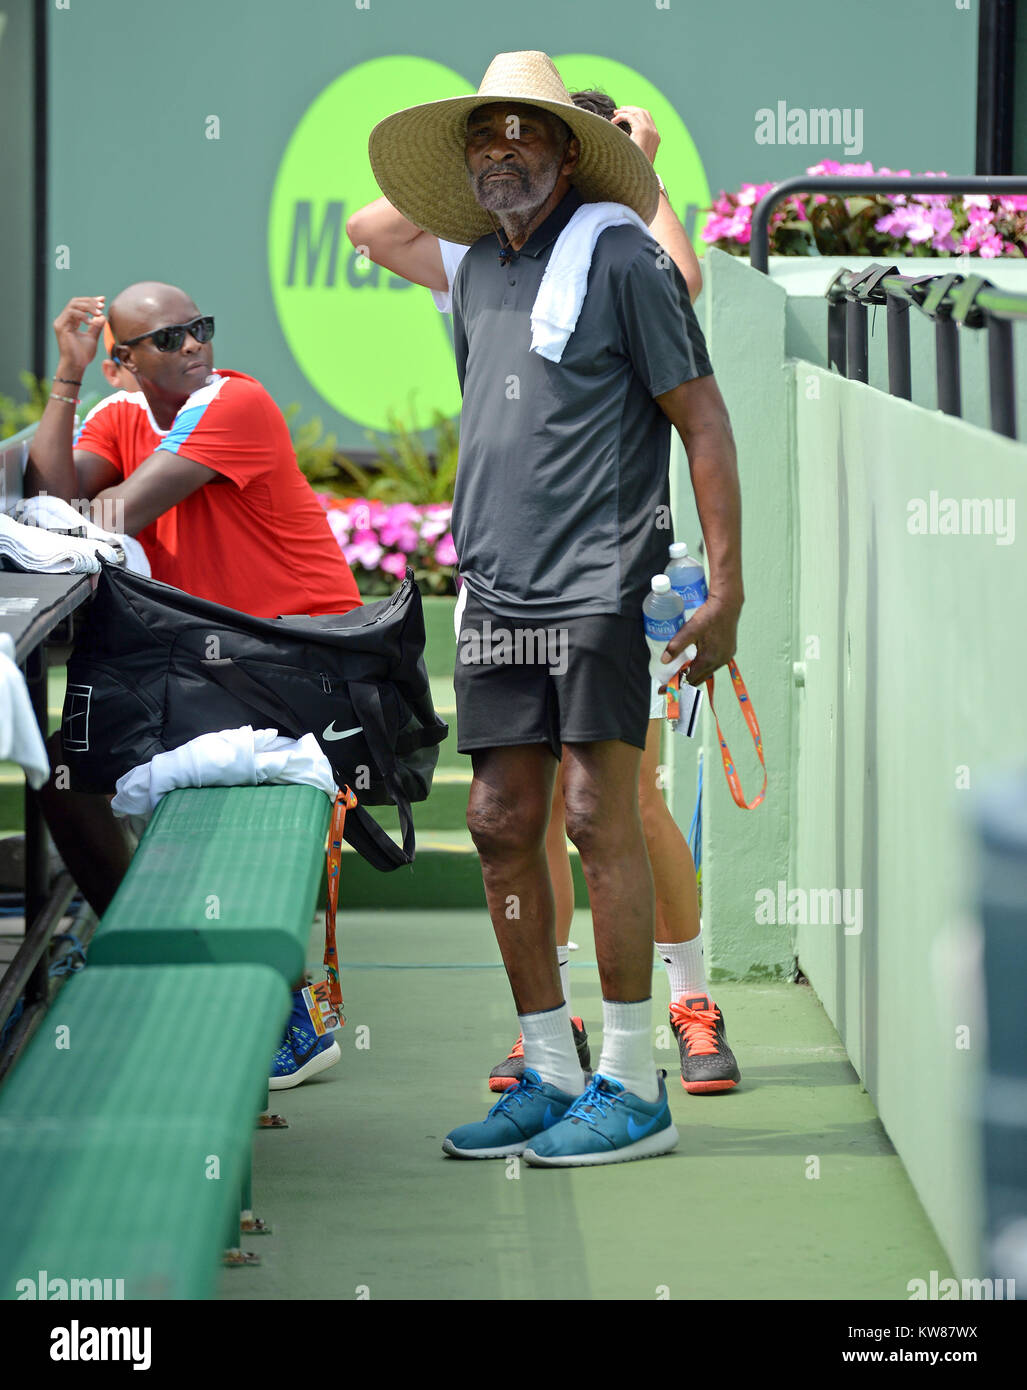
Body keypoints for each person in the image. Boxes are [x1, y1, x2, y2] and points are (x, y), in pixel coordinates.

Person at [368, 51, 744, 1167]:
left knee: (595, 816)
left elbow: (705, 420)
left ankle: (632, 1084)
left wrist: (726, 588)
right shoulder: (476, 267)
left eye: (524, 132)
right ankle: (548, 1069)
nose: (499, 151)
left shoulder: (625, 257)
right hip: (495, 588)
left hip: (599, 580)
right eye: (481, 135)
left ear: (570, 151)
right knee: (494, 824)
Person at [26, 282, 362, 1088]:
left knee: (91, 762)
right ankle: (170, 950)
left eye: (197, 329)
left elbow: (104, 517)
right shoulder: (118, 413)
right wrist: (66, 381)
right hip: (208, 661)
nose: (192, 347)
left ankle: (281, 1013)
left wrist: (73, 504)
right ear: (123, 363)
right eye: (167, 340)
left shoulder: (234, 404)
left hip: (295, 659)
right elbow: (54, 493)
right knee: (61, 768)